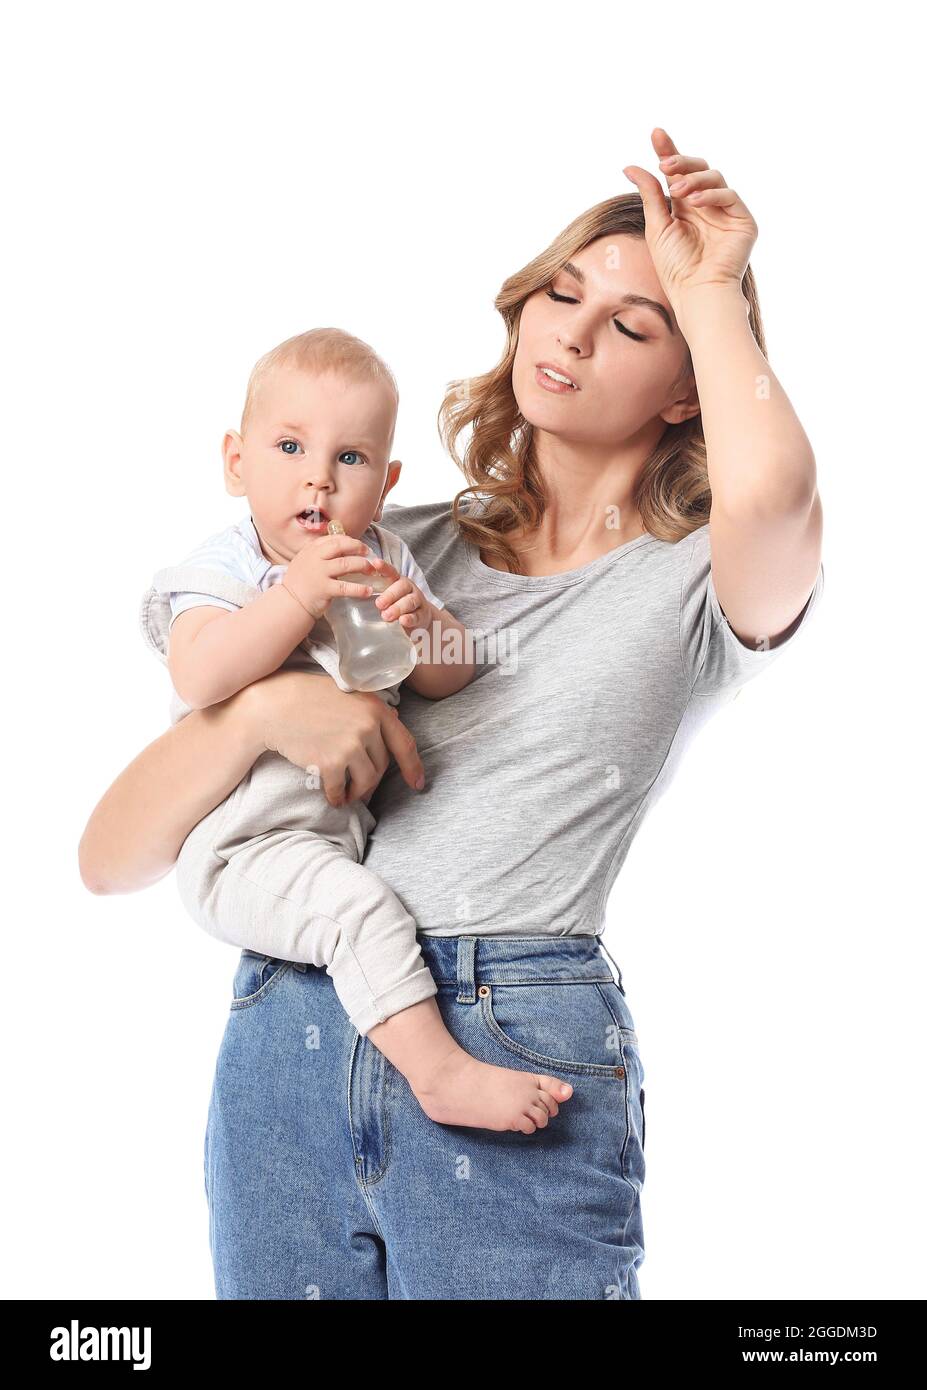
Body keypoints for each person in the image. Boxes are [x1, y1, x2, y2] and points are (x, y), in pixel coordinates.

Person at [79, 129, 825, 1300]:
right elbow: (110, 857)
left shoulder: (696, 582)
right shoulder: (379, 544)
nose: (572, 332)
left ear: (688, 388)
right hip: (291, 1018)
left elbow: (774, 490)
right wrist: (267, 708)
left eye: (632, 323)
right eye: (560, 294)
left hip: (510, 1028)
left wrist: (713, 288)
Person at [142, 325, 576, 1133]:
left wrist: (425, 626)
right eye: (289, 447)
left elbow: (449, 676)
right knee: (362, 916)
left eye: (349, 459)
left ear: (385, 481)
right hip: (244, 842)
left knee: (368, 903)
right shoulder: (229, 567)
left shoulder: (381, 558)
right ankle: (438, 1074)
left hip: (336, 833)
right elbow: (200, 676)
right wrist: (295, 597)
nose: (317, 477)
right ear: (236, 462)